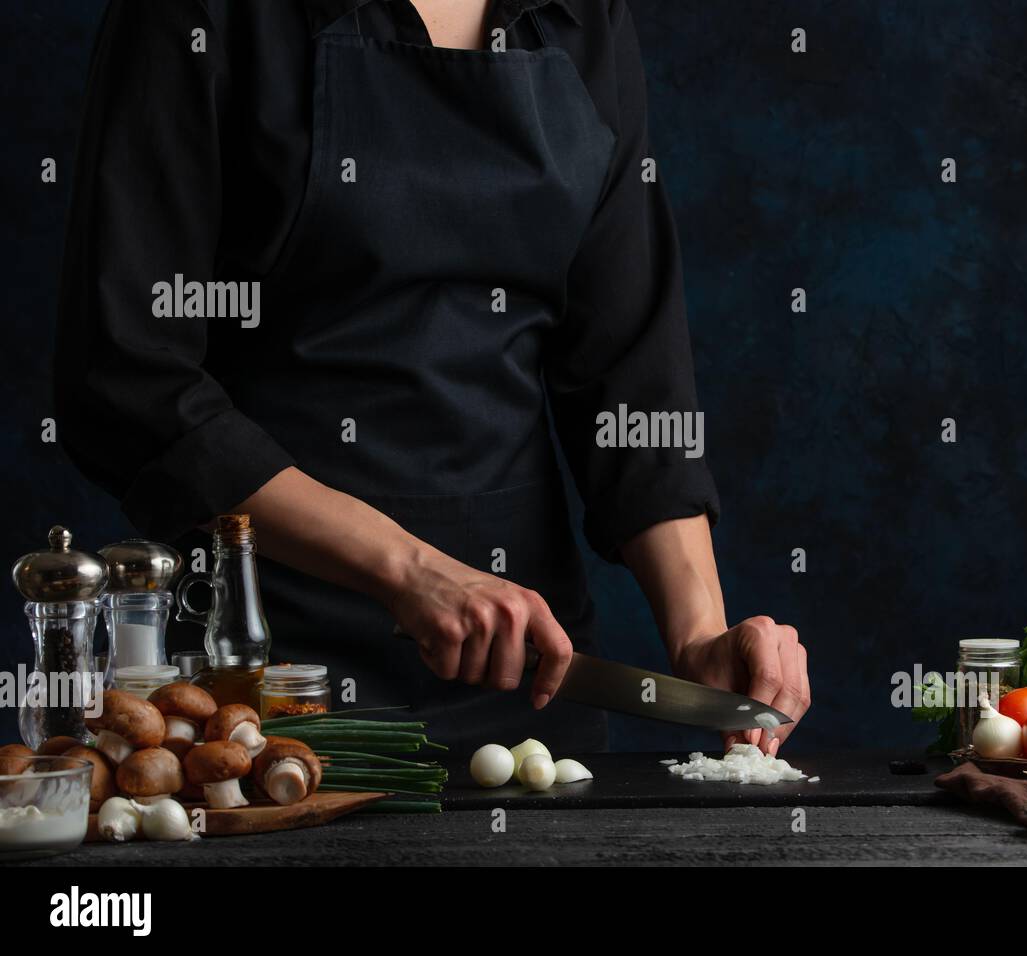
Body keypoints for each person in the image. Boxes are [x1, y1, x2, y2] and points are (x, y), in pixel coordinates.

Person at [55, 0, 810, 753]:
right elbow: (128, 380)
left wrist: (699, 635)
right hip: (260, 690)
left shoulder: (586, 16)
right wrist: (410, 571)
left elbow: (631, 377)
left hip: (530, 695)